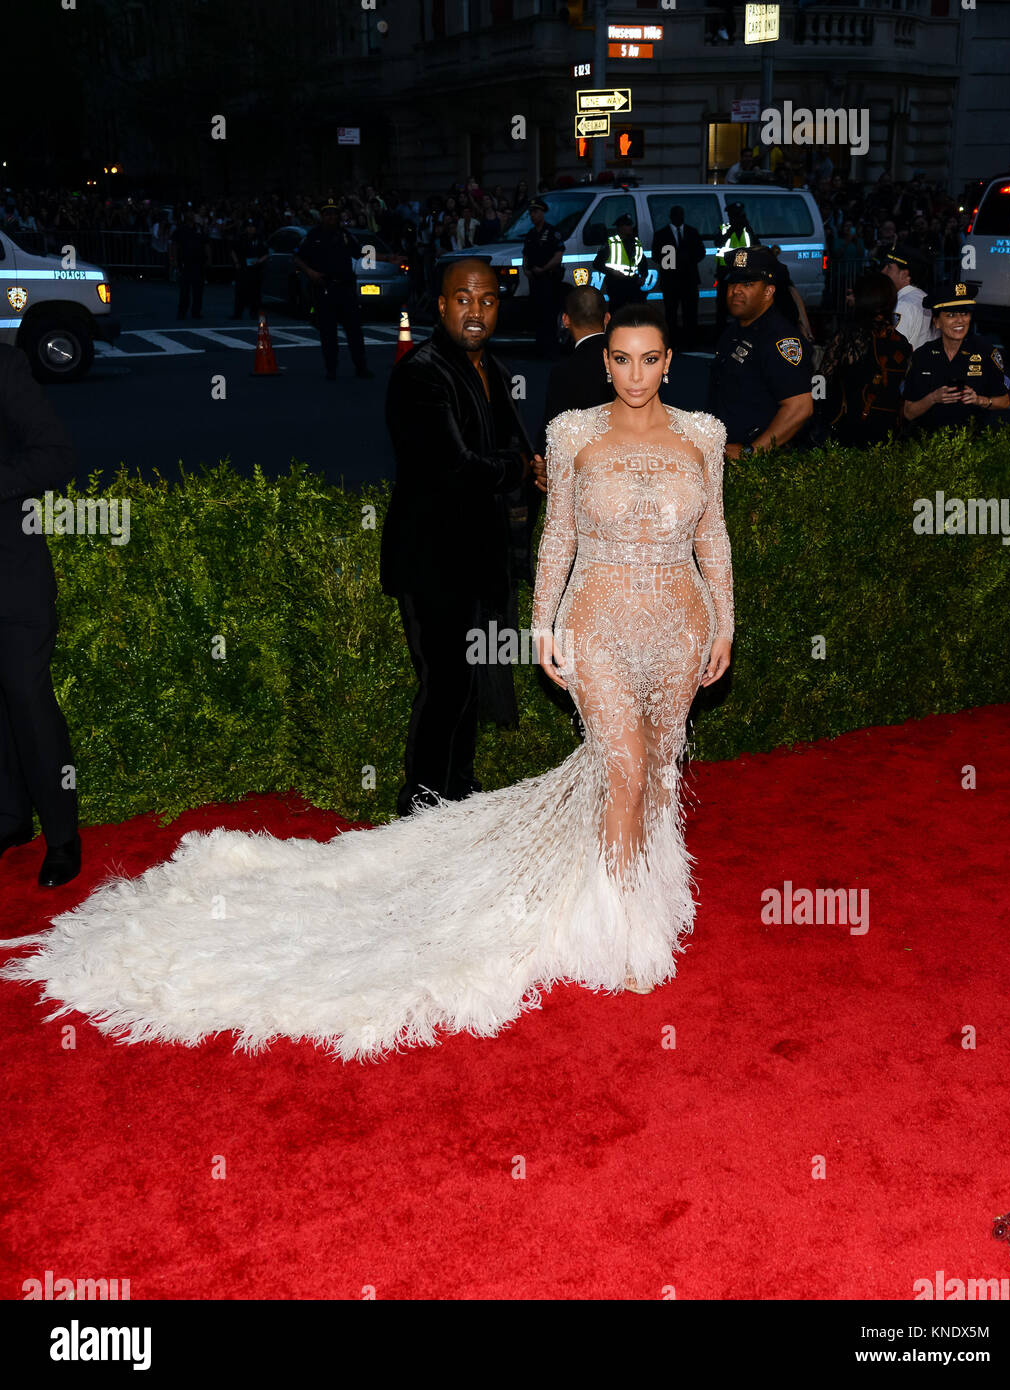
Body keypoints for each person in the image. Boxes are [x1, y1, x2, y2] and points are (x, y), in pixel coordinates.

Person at [0, 306, 734, 1060]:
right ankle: (622, 933)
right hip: (598, 620)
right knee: (625, 767)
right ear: (604, 360)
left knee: (661, 771)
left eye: (649, 360)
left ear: (670, 362)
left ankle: (654, 893)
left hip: (681, 621)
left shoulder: (703, 434)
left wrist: (725, 625)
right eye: (622, 359)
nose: (635, 374)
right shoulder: (574, 432)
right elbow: (557, 541)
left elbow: (713, 537)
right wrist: (544, 626)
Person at [380, 258, 542, 816]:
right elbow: (455, 466)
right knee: (446, 682)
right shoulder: (421, 372)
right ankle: (421, 805)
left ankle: (457, 795)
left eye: (488, 300)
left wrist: (532, 464)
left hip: (476, 557)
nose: (476, 312)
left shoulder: (487, 366)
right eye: (464, 300)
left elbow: (506, 443)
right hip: (432, 562)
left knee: (470, 683)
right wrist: (520, 469)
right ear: (443, 304)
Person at [0, 345, 81, 888]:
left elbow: (57, 455)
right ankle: (9, 818)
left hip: (12, 575)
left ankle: (62, 835)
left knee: (28, 700)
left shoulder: (3, 367)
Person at [709, 246, 814, 458]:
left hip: (762, 465)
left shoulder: (779, 339)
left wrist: (752, 452)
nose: (736, 290)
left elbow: (799, 408)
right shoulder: (733, 331)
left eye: (747, 284)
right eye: (733, 282)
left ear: (768, 291)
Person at [817, 271, 912, 446]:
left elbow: (822, 378)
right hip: (888, 429)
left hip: (850, 426)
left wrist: (818, 412)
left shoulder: (850, 335)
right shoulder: (901, 341)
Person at [901, 282, 1010, 433]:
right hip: (928, 447)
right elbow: (908, 412)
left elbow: (1004, 401)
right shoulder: (922, 356)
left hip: (972, 447)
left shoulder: (985, 352)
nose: (959, 320)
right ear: (936, 322)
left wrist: (979, 400)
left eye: (964, 313)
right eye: (951, 315)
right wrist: (933, 398)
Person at [294, 202, 373, 381]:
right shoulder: (313, 236)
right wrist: (310, 273)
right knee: (328, 333)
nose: (331, 218)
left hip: (345, 288)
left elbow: (360, 252)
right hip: (325, 288)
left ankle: (361, 367)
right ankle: (331, 369)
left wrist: (388, 257)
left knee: (354, 331)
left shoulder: (345, 235)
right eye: (327, 214)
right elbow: (297, 258)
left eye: (334, 214)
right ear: (322, 216)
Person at [540, 285, 613, 451]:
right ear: (607, 318)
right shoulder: (627, 360)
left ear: (565, 320)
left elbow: (553, 431)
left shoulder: (563, 371)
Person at [651, 206, 706, 351]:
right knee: (671, 314)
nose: (678, 217)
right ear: (670, 216)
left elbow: (701, 252)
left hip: (689, 280)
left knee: (690, 313)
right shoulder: (661, 234)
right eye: (675, 215)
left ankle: (691, 342)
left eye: (680, 215)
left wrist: (688, 258)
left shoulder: (692, 232)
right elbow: (655, 255)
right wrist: (671, 260)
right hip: (671, 280)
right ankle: (672, 343)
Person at [522, 198, 565, 358]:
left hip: (549, 279)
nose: (533, 215)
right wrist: (526, 269)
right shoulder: (531, 234)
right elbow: (525, 254)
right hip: (535, 280)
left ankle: (551, 350)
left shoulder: (553, 232)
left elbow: (558, 255)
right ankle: (539, 348)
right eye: (531, 212)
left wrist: (544, 269)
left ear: (543, 213)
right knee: (537, 315)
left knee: (550, 315)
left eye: (536, 212)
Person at [878, 244, 937, 353]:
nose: (883, 271)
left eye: (889, 267)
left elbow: (892, 349)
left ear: (904, 274)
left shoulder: (903, 305)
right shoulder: (924, 298)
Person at [713, 202, 756, 337]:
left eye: (738, 216)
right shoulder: (724, 228)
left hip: (742, 274)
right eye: (734, 217)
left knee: (743, 306)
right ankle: (721, 336)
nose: (736, 219)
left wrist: (746, 227)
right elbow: (718, 242)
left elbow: (755, 246)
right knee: (722, 307)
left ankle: (741, 335)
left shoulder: (747, 230)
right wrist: (731, 231)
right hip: (725, 273)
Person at [593, 212, 648, 312]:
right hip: (616, 284)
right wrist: (612, 272)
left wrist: (643, 276)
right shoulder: (611, 243)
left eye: (631, 225)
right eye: (627, 225)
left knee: (635, 313)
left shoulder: (636, 242)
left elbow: (642, 261)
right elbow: (597, 263)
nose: (631, 227)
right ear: (620, 228)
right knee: (617, 312)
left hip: (633, 284)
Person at [169, 211, 211, 320]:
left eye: (192, 215)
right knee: (184, 290)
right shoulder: (180, 230)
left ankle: (196, 312)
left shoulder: (200, 229)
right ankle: (182, 312)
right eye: (189, 215)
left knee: (198, 290)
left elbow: (206, 244)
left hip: (199, 262)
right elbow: (174, 245)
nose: (191, 217)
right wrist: (173, 259)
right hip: (185, 263)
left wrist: (209, 258)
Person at [229, 218, 268, 319]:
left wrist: (259, 261)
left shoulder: (259, 238)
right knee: (240, 292)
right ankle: (237, 314)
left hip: (255, 268)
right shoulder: (240, 238)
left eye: (253, 227)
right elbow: (233, 250)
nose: (251, 229)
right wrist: (236, 263)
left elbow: (266, 253)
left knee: (255, 292)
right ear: (246, 228)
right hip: (243, 268)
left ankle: (254, 313)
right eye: (249, 227)